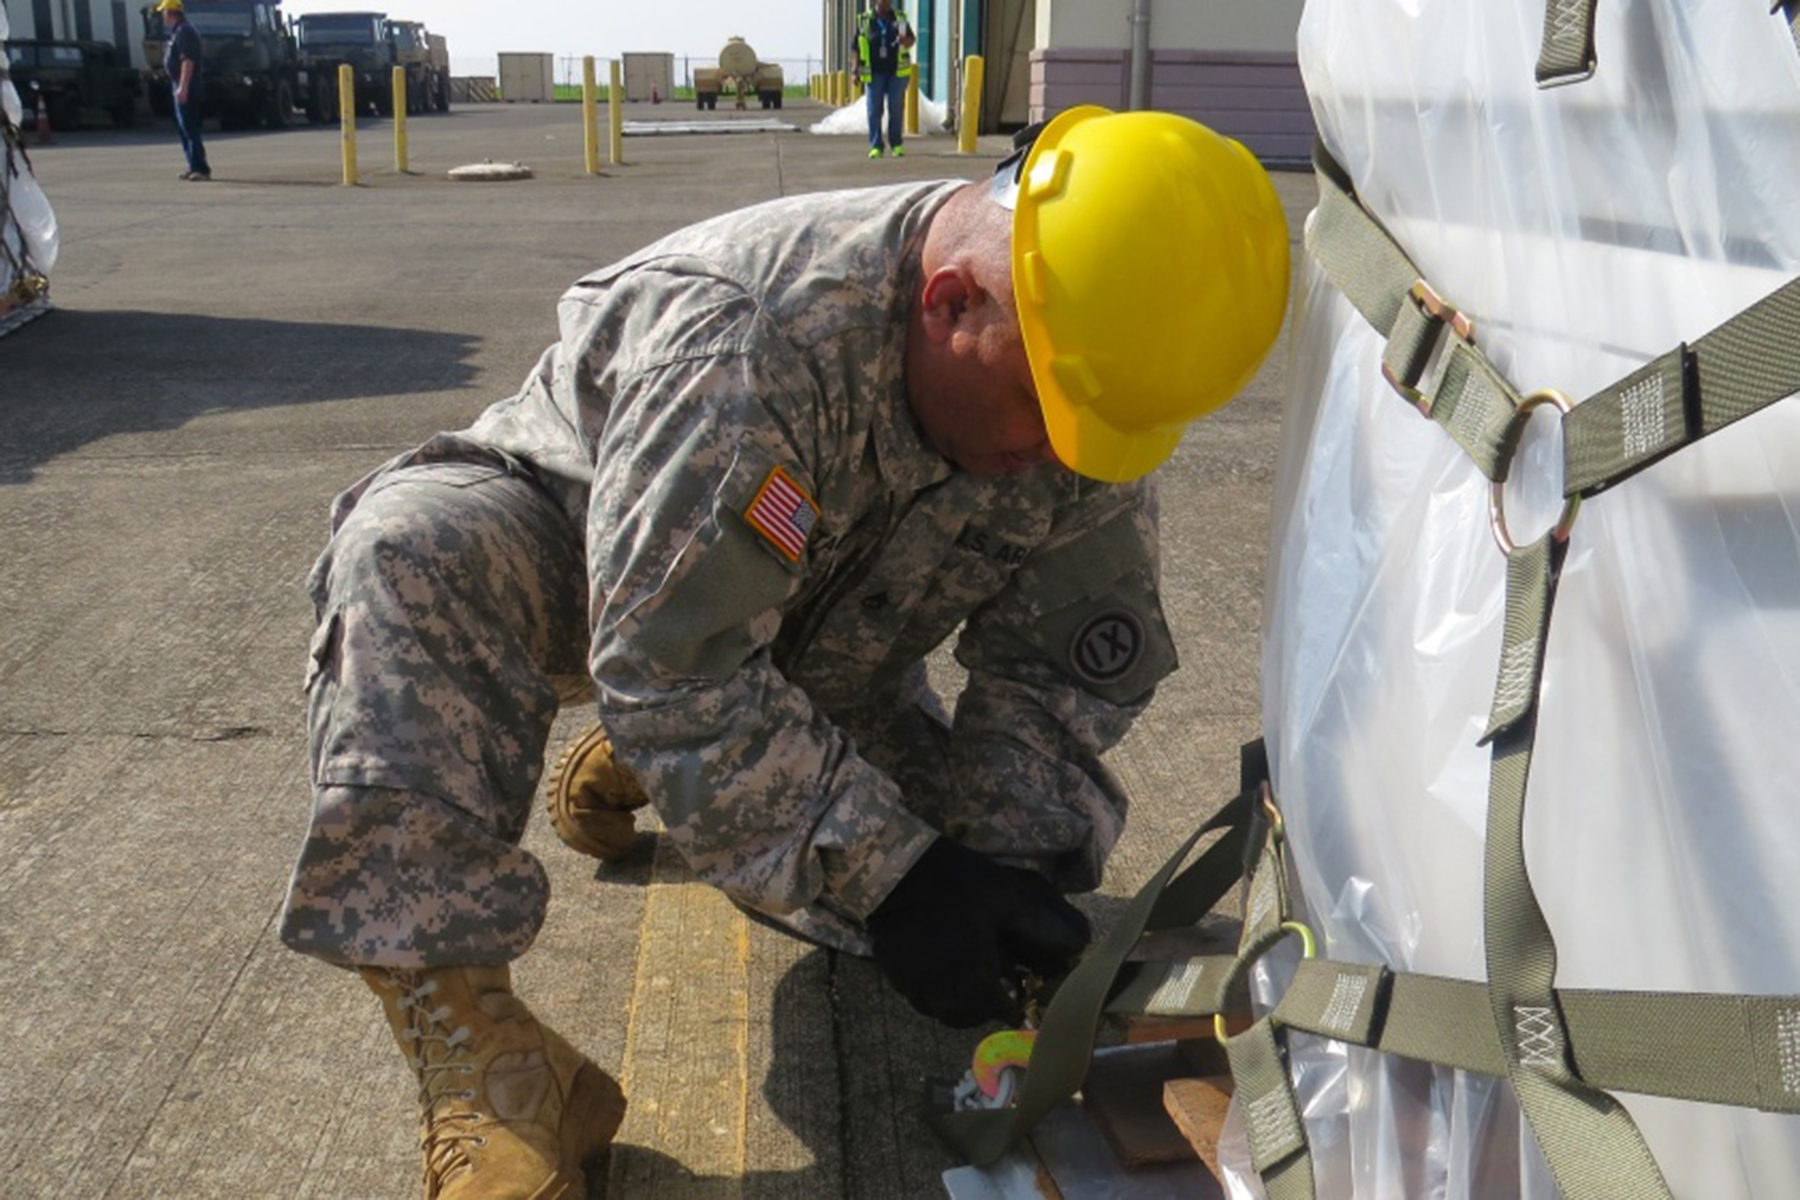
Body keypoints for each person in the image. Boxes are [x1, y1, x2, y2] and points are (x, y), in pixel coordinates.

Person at [278, 105, 1290, 1197]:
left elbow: (1054, 674)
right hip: (602, 592)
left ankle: (687, 763)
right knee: (409, 548)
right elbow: (667, 662)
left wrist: (1002, 873)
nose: (1047, 459)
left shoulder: (1078, 371)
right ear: (950, 303)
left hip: (820, 653)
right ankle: (492, 1071)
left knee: (957, 900)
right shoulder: (751, 336)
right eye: (1039, 417)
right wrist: (896, 877)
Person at [853, 0, 915, 158]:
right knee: (874, 110)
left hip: (896, 71)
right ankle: (875, 145)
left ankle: (896, 144)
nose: (886, 3)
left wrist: (905, 41)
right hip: (874, 72)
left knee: (895, 109)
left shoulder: (899, 19)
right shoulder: (865, 20)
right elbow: (855, 47)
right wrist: (855, 70)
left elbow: (911, 40)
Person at [157, 0, 210, 181]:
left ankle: (201, 168)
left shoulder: (184, 32)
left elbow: (188, 61)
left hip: (187, 84)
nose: (162, 15)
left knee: (190, 127)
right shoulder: (178, 32)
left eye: (163, 12)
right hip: (180, 83)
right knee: (184, 128)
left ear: (170, 12)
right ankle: (192, 165)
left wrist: (183, 86)